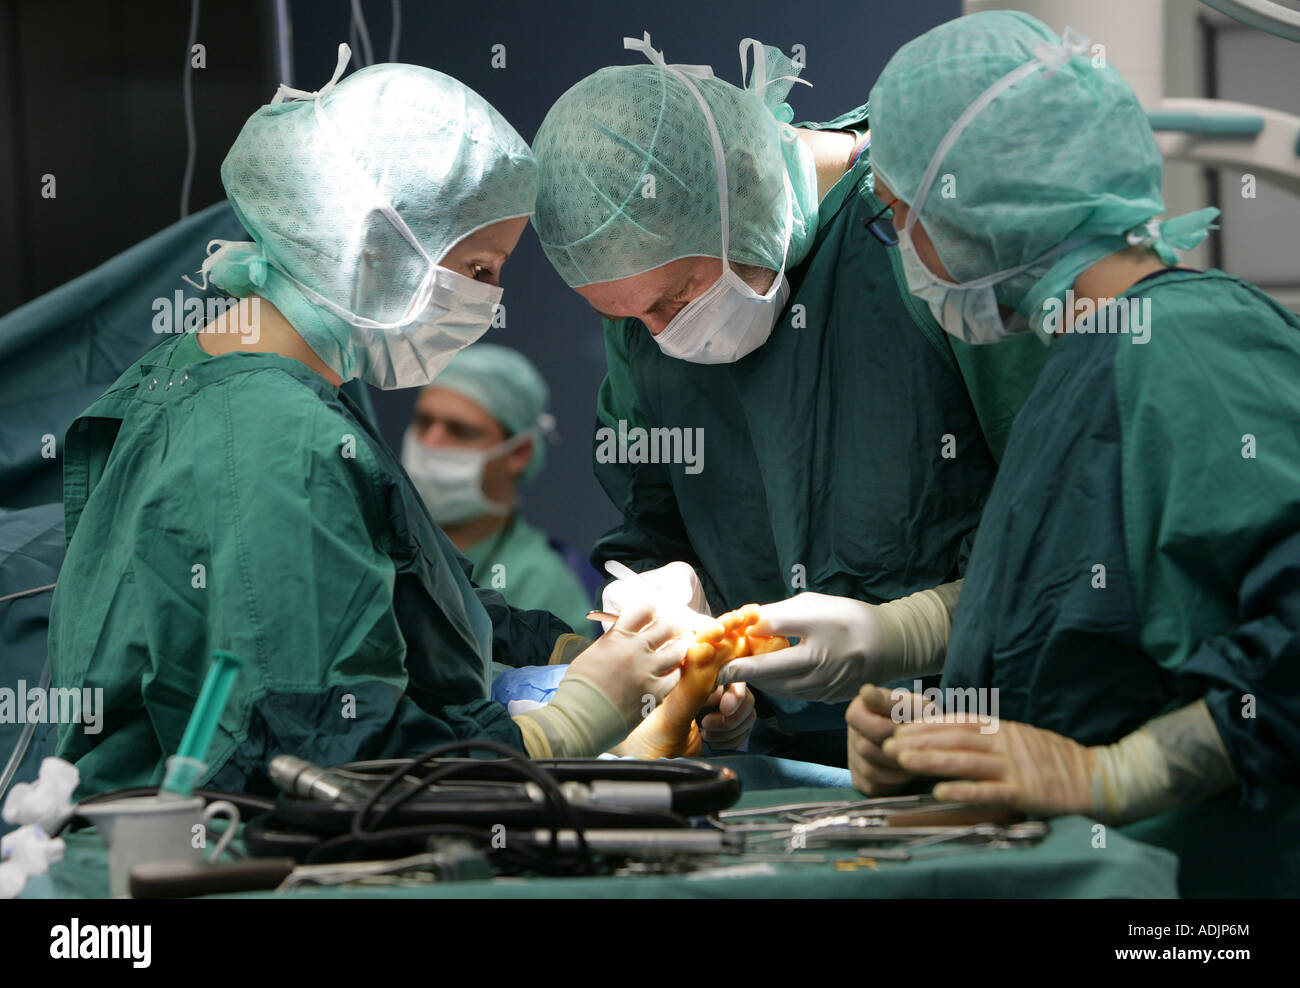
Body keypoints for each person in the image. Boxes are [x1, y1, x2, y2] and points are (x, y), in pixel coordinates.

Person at [739, 12, 1300, 896]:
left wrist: (1122, 778)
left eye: (894, 217)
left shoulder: (1191, 345)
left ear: (970, 207)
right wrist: (941, 741)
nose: (902, 253)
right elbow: (1088, 661)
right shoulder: (1084, 370)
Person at [48, 46, 693, 797]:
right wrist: (571, 721)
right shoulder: (274, 440)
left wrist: (587, 649)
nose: (489, 303)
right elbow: (330, 759)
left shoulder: (224, 381)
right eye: (480, 269)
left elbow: (389, 599)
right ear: (378, 247)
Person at [531, 34, 1047, 762]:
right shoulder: (646, 314)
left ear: (746, 192)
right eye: (624, 318)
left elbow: (1071, 526)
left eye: (678, 298)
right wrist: (661, 595)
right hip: (791, 758)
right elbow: (656, 514)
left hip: (998, 736)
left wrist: (911, 632)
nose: (659, 334)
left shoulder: (926, 238)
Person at [401, 343, 594, 633]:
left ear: (519, 453)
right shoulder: (369, 541)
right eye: (424, 422)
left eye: (460, 431)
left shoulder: (540, 583)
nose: (430, 442)